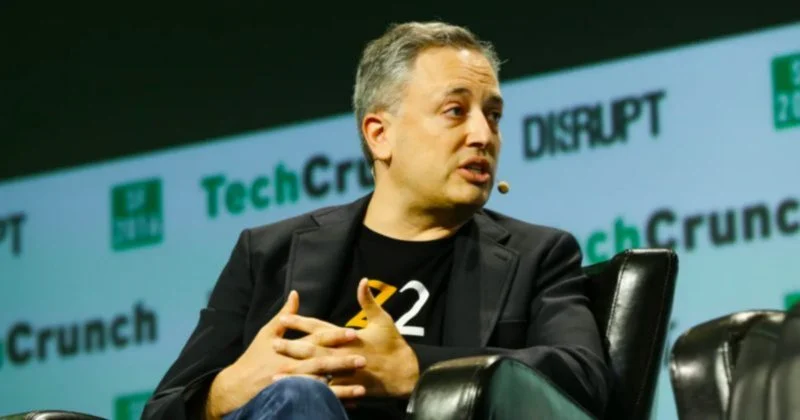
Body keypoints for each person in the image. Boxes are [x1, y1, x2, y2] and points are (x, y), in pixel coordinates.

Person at [142, 20, 612, 420]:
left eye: (493, 116)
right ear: (379, 134)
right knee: (299, 397)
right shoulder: (268, 253)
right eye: (455, 111)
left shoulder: (537, 256)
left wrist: (416, 368)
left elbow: (586, 380)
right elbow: (162, 410)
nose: (482, 135)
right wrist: (226, 390)